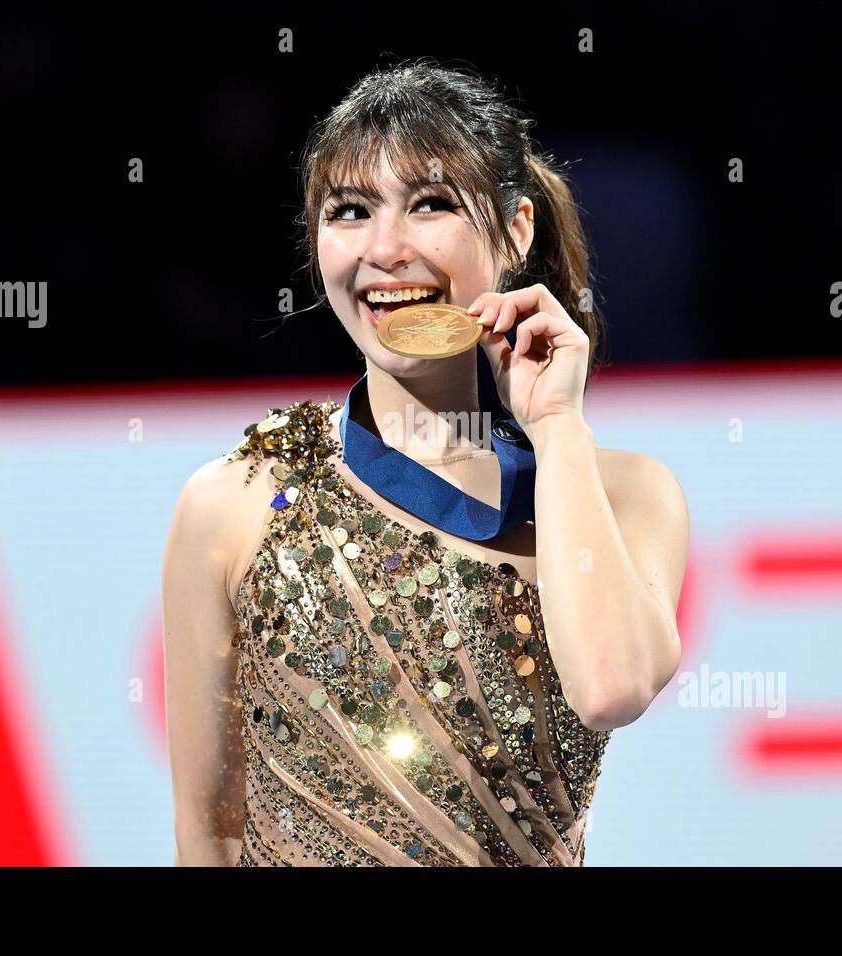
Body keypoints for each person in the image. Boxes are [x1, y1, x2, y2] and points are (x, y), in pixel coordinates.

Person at [162, 59, 688, 866]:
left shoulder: (623, 492)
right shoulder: (234, 502)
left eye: (431, 204)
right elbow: (211, 833)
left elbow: (612, 687)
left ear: (516, 231)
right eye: (350, 211)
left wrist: (556, 427)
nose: (385, 249)